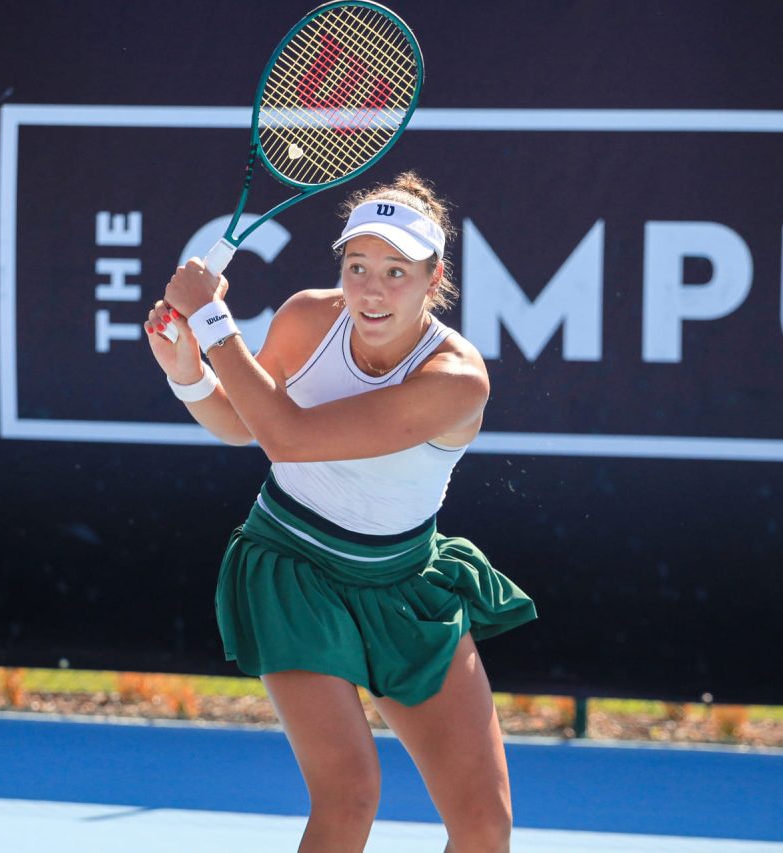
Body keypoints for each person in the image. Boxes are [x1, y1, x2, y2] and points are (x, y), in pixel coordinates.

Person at [145, 172, 537, 853]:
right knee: (350, 793)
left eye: (395, 271)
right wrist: (188, 371)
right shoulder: (308, 317)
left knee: (484, 823)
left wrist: (212, 322)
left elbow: (288, 435)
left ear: (432, 276)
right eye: (358, 267)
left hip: (406, 584)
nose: (372, 289)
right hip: (293, 569)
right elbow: (247, 422)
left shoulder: (457, 379)